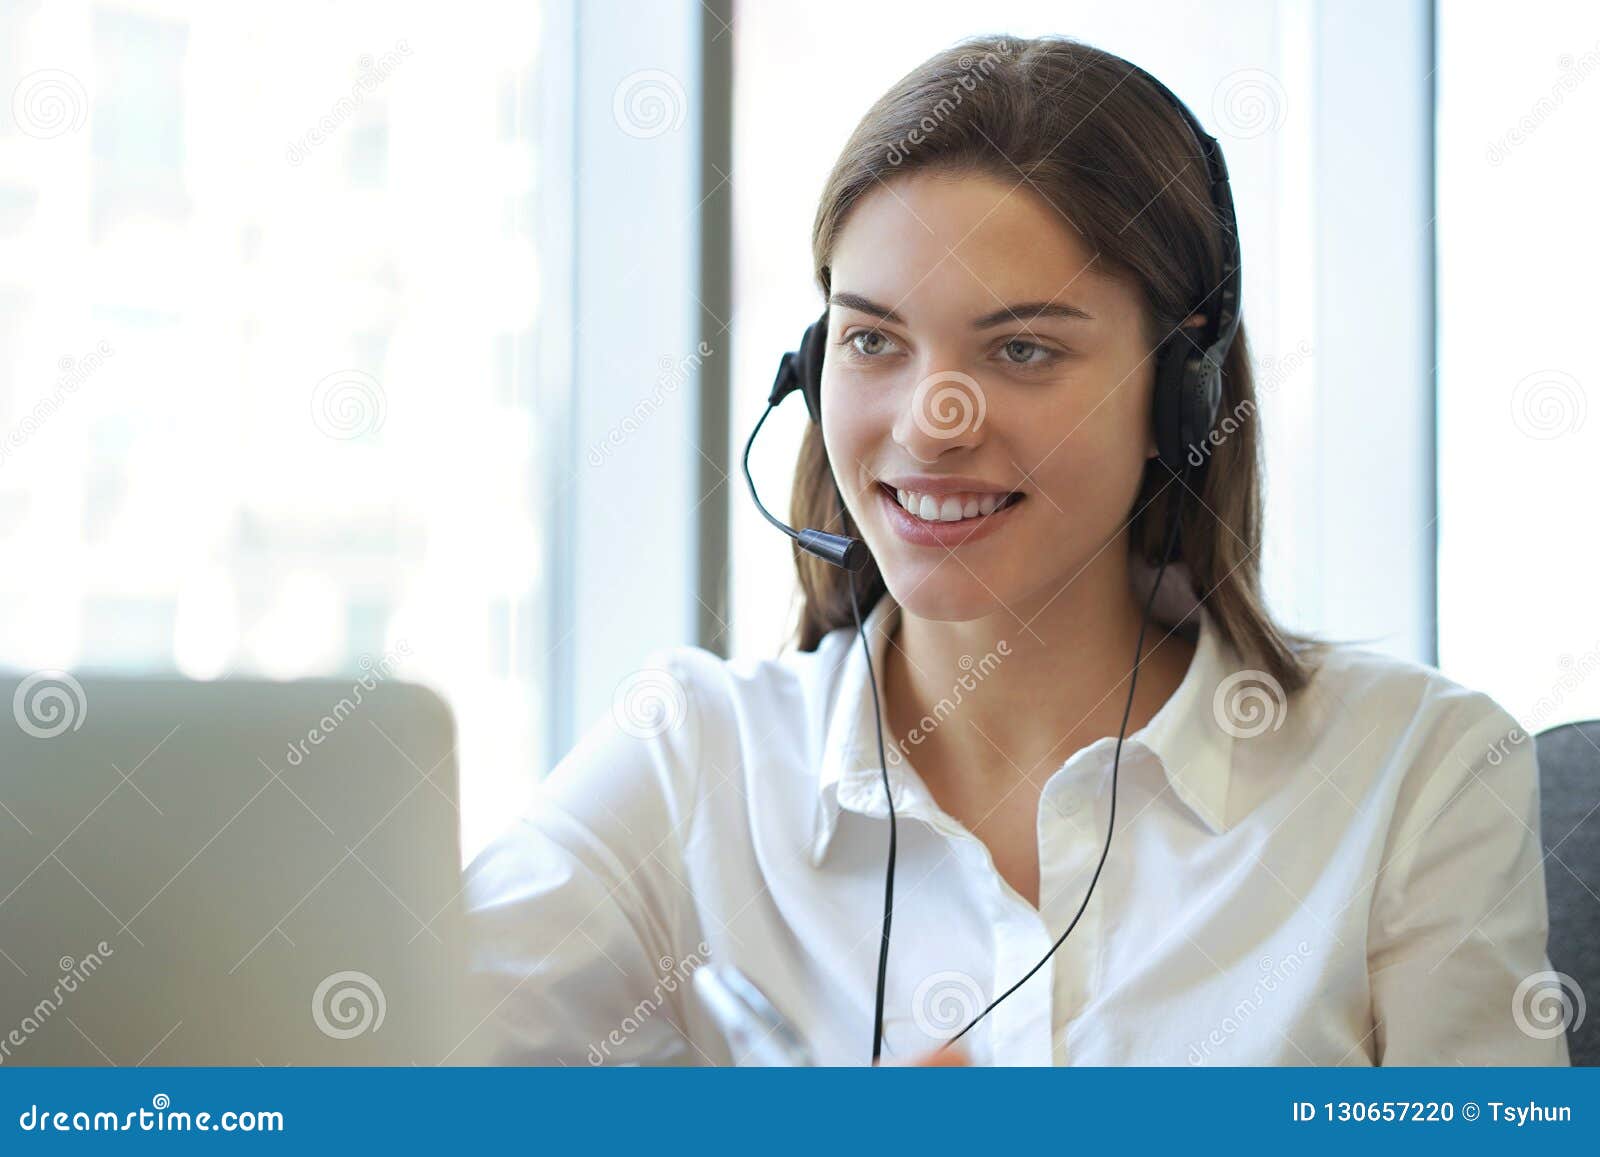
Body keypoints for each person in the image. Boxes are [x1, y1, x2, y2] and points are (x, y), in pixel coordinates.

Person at [460, 35, 1570, 1067]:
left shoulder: (1414, 772)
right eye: (873, 339)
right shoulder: (692, 759)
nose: (930, 421)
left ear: (1179, 392)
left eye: (1023, 348)